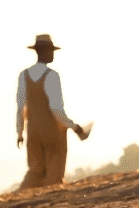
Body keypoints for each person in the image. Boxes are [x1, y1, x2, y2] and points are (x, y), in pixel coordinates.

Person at [16, 34, 92, 189]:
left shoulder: (24, 76)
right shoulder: (51, 76)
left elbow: (20, 108)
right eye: (50, 51)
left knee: (35, 173)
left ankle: (19, 200)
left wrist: (20, 133)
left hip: (33, 134)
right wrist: (75, 127)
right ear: (43, 52)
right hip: (52, 134)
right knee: (54, 176)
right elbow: (56, 110)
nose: (52, 54)